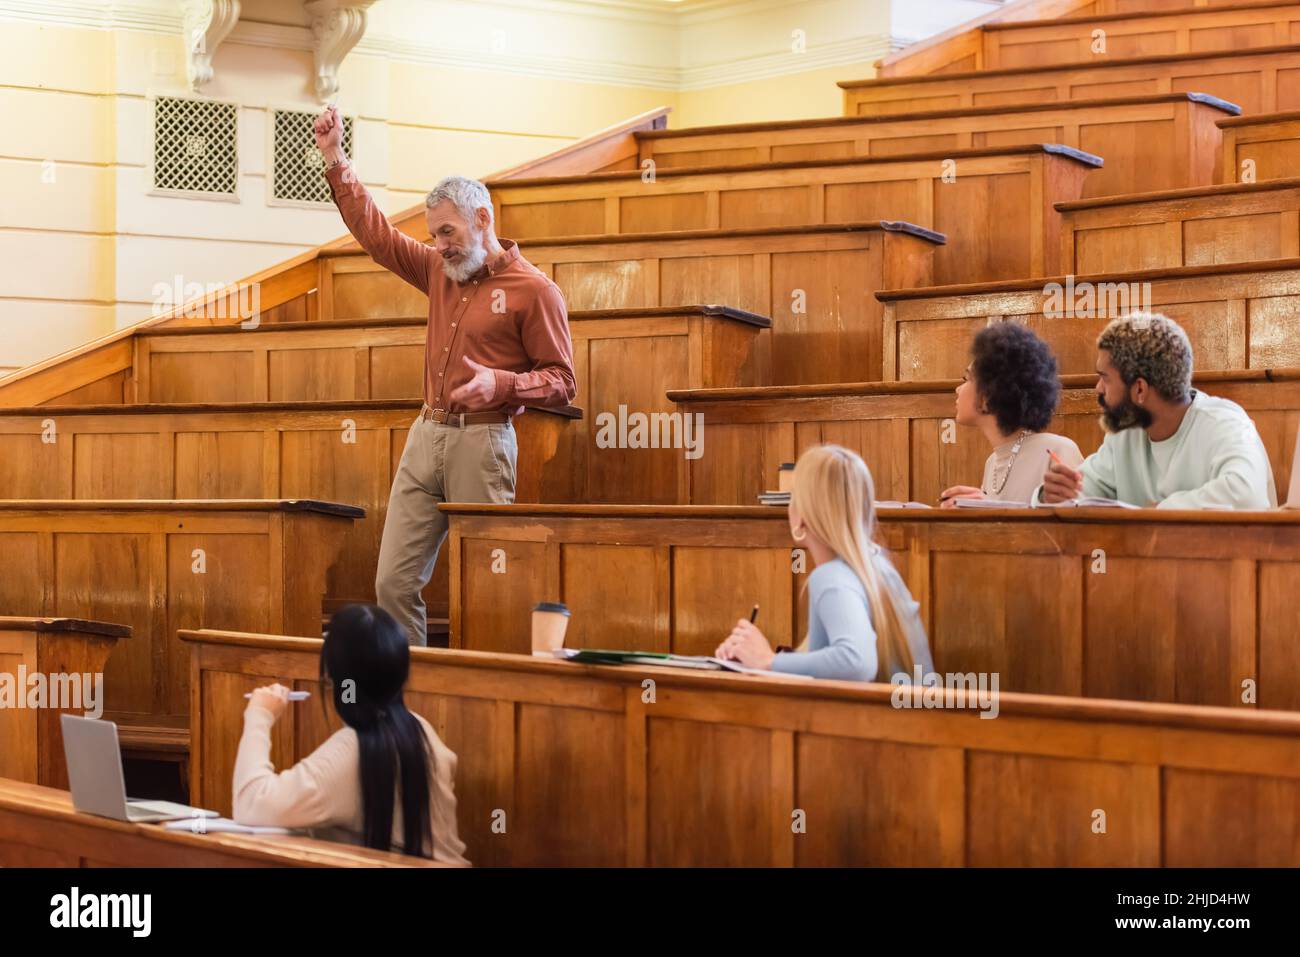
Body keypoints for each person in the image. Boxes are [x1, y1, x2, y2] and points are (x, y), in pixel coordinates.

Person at [314, 104, 577, 646]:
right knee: (392, 581)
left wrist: (501, 385)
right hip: (425, 435)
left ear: (483, 219)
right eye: (434, 235)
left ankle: (479, 701)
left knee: (486, 582)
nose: (440, 245)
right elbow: (379, 236)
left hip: (483, 441)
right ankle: (416, 699)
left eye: (448, 232)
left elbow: (562, 381)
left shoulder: (537, 291)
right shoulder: (439, 269)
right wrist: (336, 159)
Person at [233, 604, 469, 864]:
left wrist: (259, 715)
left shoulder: (354, 749)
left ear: (335, 678)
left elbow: (251, 804)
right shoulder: (420, 729)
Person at [715, 444, 934, 682]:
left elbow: (856, 663)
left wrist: (768, 661)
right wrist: (754, 658)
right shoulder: (877, 564)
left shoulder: (832, 575)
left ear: (801, 515)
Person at [1038, 313, 1276, 509]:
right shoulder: (1125, 434)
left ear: (1139, 389)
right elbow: (1082, 491)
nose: (1098, 388)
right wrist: (1054, 495)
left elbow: (1246, 495)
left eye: (1105, 378)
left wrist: (1163, 511)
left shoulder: (1225, 423)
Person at [940, 323, 1083, 506]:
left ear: (989, 394)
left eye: (967, 379)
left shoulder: (1058, 449)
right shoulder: (992, 462)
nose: (958, 389)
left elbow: (1075, 529)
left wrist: (989, 510)